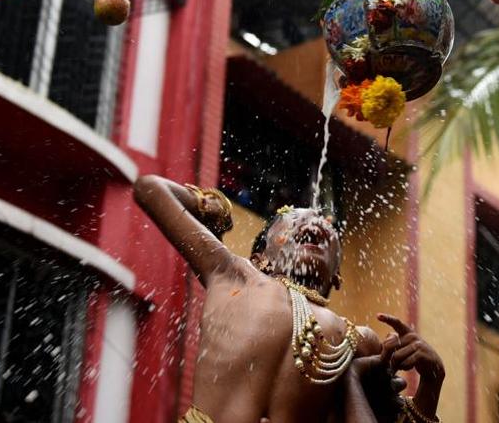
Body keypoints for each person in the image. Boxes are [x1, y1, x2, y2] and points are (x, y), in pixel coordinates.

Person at [133, 176, 444, 422]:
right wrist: (211, 204)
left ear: (336, 274)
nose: (314, 221)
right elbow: (150, 189)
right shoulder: (233, 273)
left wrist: (431, 384)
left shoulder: (358, 341)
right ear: (260, 257)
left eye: (327, 226)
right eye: (291, 218)